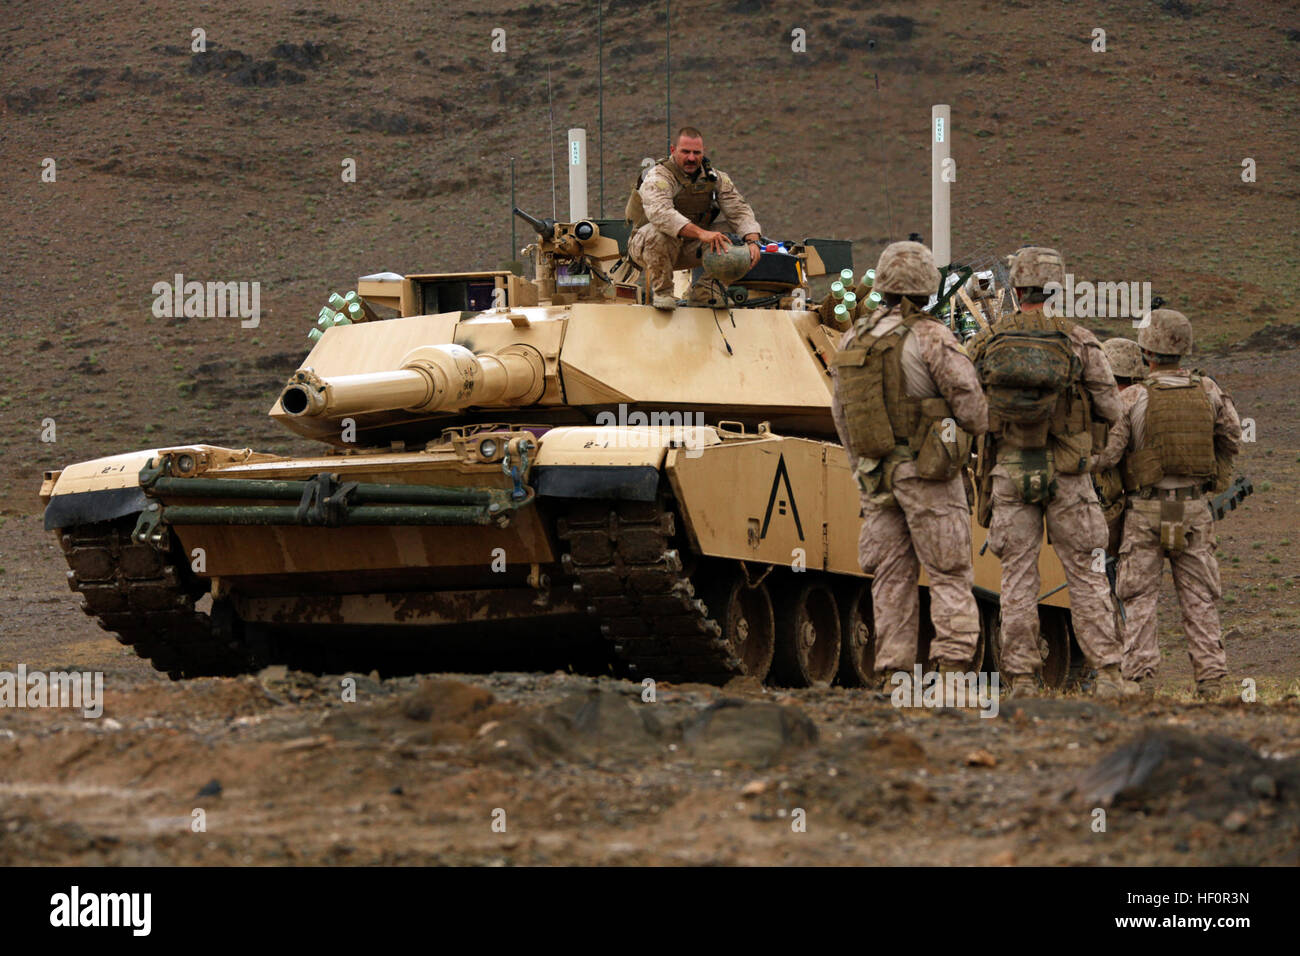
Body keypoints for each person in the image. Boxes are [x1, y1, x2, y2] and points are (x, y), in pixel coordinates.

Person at [967, 247, 1139, 699]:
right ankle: (1109, 675)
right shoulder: (1079, 340)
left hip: (1010, 471)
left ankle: (1021, 678)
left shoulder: (987, 341)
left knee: (1017, 577)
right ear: (1054, 286)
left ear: (1016, 288)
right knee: (1085, 572)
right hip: (1069, 474)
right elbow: (1110, 407)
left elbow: (964, 405)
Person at [829, 240, 988, 693]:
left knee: (891, 576)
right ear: (925, 287)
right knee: (949, 571)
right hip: (929, 474)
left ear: (881, 285)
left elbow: (841, 414)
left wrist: (864, 464)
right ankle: (953, 671)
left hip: (877, 477)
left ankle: (894, 673)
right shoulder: (932, 336)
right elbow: (974, 410)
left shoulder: (853, 338)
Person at [1093, 310, 1242, 699]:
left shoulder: (1133, 397)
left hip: (1145, 511)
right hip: (1193, 509)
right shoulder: (1208, 390)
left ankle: (1140, 682)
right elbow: (1232, 438)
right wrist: (1214, 475)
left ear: (1147, 352)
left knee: (1139, 598)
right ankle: (1211, 681)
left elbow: (1108, 456)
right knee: (1200, 598)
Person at [626, 127, 762, 309]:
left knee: (733, 236)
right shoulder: (658, 176)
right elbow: (661, 214)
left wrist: (752, 241)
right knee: (657, 232)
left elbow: (738, 210)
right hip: (648, 247)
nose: (691, 158)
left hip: (690, 246)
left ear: (703, 152)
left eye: (696, 152)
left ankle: (705, 291)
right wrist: (701, 234)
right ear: (673, 150)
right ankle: (663, 291)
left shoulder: (714, 178)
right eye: (685, 152)